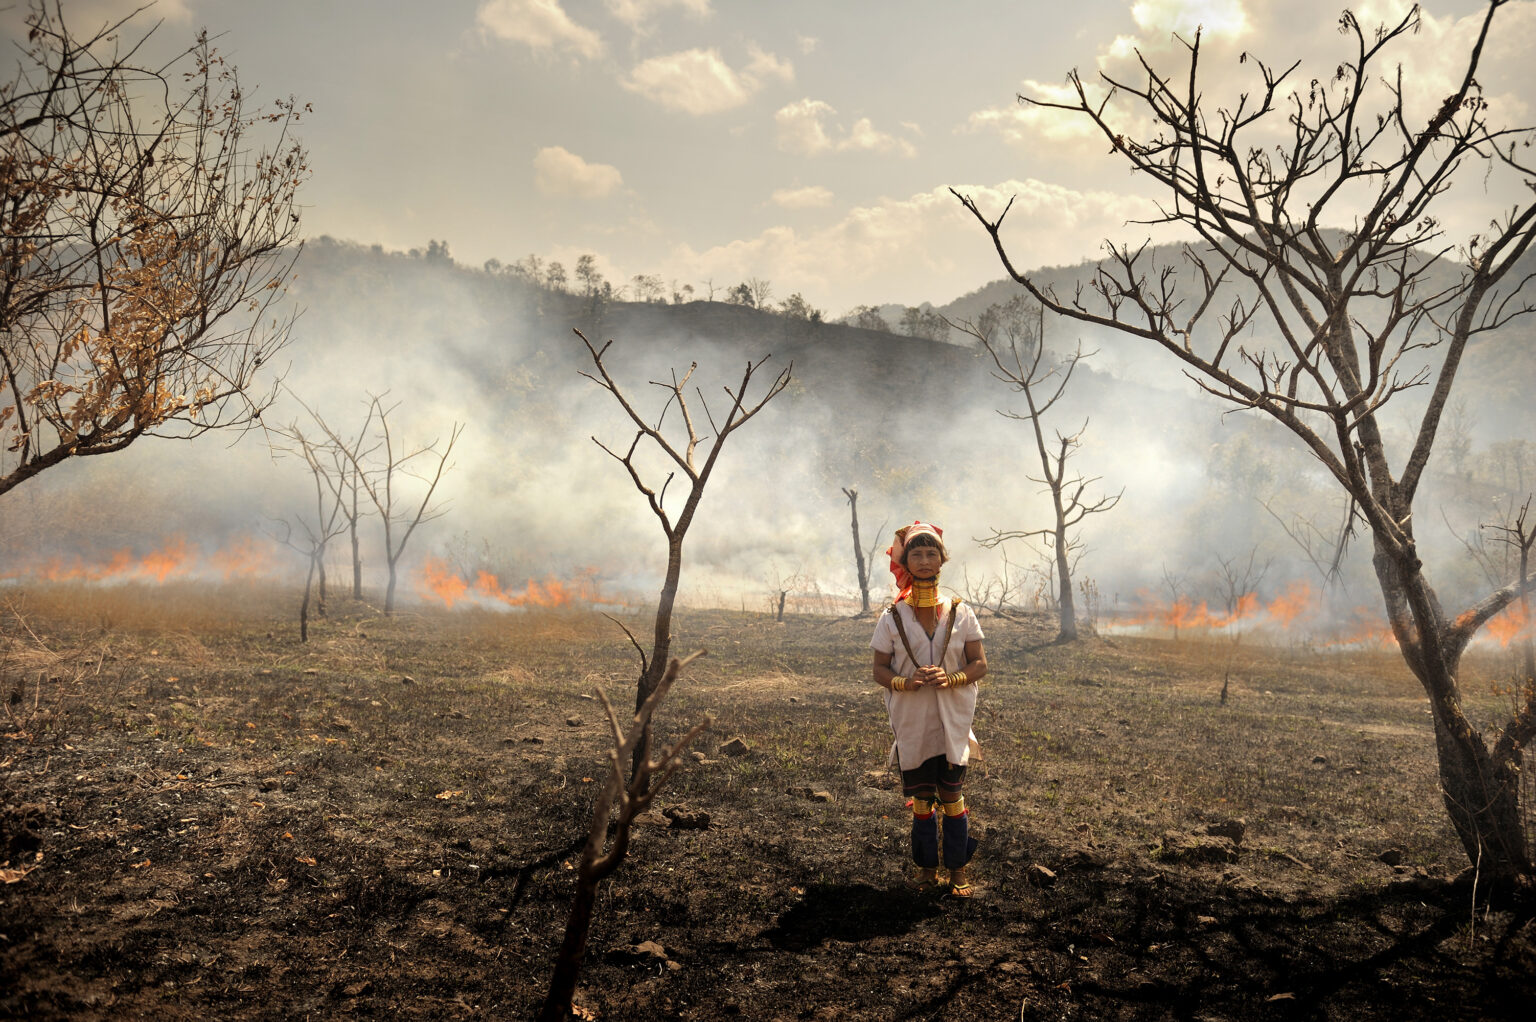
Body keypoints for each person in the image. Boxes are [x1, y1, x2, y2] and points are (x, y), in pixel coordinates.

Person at [870, 521, 988, 897]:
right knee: (922, 800)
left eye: (931, 553)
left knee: (952, 798)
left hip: (952, 721)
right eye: (916, 554)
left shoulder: (961, 612)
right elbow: (879, 669)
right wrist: (908, 683)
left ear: (942, 560)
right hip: (913, 721)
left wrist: (951, 679)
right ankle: (925, 870)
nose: (924, 560)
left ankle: (958, 870)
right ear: (905, 561)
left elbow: (979, 664)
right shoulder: (891, 617)